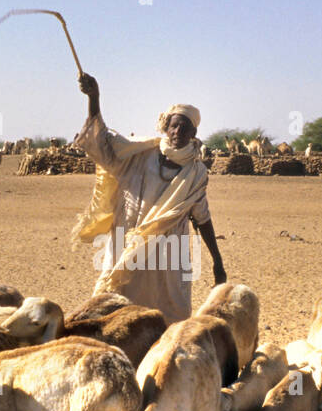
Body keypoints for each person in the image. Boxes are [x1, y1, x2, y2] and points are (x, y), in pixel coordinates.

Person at [71, 73, 225, 324]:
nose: (178, 132)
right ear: (165, 127)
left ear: (194, 133)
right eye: (174, 125)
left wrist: (218, 263)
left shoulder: (196, 173)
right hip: (126, 242)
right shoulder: (139, 154)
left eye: (185, 128)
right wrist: (94, 98)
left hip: (167, 256)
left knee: (168, 313)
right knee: (115, 308)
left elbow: (203, 219)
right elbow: (103, 145)